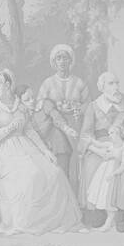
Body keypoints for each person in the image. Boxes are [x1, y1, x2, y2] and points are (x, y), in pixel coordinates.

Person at [0, 70, 82, 235]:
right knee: (31, 175)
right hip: (5, 150)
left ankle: (49, 221)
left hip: (26, 146)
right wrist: (9, 128)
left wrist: (45, 151)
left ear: (8, 85)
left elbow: (29, 131)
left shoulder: (20, 106)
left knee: (54, 173)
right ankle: (25, 221)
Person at [77, 71, 124, 232]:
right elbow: (85, 135)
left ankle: (120, 215)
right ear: (101, 87)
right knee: (91, 164)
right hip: (100, 146)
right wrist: (98, 150)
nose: (116, 87)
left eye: (117, 83)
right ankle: (98, 210)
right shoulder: (93, 107)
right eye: (111, 83)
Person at [36, 44, 89, 189]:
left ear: (70, 60)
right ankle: (62, 191)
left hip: (76, 123)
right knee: (62, 153)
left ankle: (76, 193)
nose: (62, 61)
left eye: (65, 58)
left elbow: (88, 104)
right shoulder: (47, 83)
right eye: (58, 58)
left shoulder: (79, 82)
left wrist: (79, 109)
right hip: (55, 126)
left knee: (78, 158)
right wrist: (55, 109)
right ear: (54, 62)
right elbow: (40, 105)